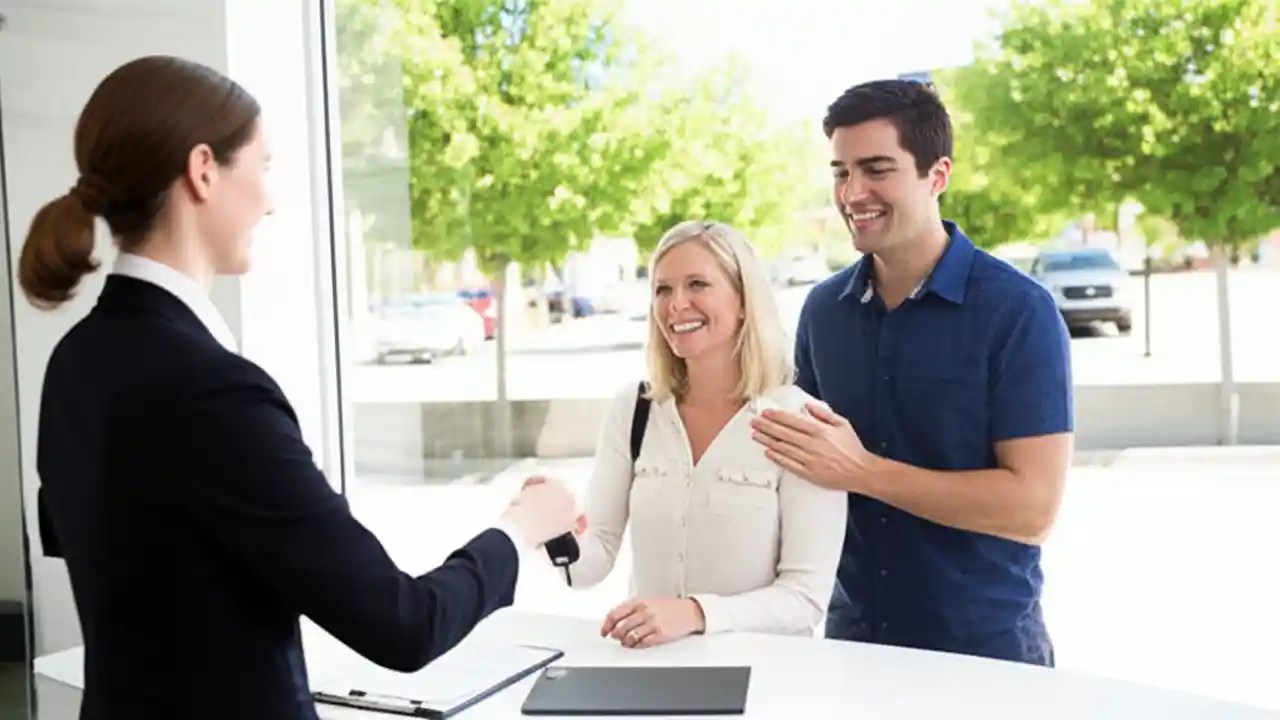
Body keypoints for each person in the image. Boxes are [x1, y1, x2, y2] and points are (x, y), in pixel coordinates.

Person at [20, 55, 581, 720]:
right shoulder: (213, 391)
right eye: (262, 165)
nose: (271, 197)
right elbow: (405, 624)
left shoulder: (74, 362)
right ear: (203, 171)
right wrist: (519, 532)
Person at [751, 79, 1073, 666]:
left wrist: (865, 472)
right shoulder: (824, 311)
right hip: (854, 651)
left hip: (986, 662)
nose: (853, 193)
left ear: (938, 175)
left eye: (876, 169)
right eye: (840, 172)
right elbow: (800, 471)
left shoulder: (1018, 311)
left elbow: (1033, 508)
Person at [548, 220, 846, 649]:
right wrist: (555, 530)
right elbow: (590, 564)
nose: (676, 305)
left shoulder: (802, 422)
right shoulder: (633, 410)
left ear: (743, 301)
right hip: (651, 677)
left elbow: (804, 598)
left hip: (764, 682)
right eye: (663, 290)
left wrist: (695, 613)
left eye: (697, 285)